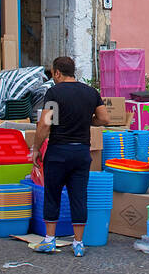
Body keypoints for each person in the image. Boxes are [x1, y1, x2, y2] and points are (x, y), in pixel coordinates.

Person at [32, 56, 110, 257]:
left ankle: (50, 240)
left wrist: (36, 148)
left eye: (53, 73)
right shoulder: (90, 92)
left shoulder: (55, 92)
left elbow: (45, 124)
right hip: (81, 152)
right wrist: (87, 121)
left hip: (58, 151)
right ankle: (78, 243)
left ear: (57, 72)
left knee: (52, 194)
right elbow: (104, 118)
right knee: (79, 196)